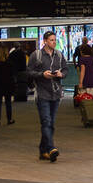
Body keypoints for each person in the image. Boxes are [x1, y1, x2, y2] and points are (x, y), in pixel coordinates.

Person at [27, 30, 66, 162]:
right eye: (51, 40)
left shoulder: (59, 55)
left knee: (51, 123)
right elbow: (29, 72)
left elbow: (66, 69)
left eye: (55, 40)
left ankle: (42, 151)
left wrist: (62, 74)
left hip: (55, 93)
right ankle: (51, 148)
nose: (54, 42)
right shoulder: (36, 55)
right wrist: (42, 74)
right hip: (42, 93)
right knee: (46, 121)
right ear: (45, 41)